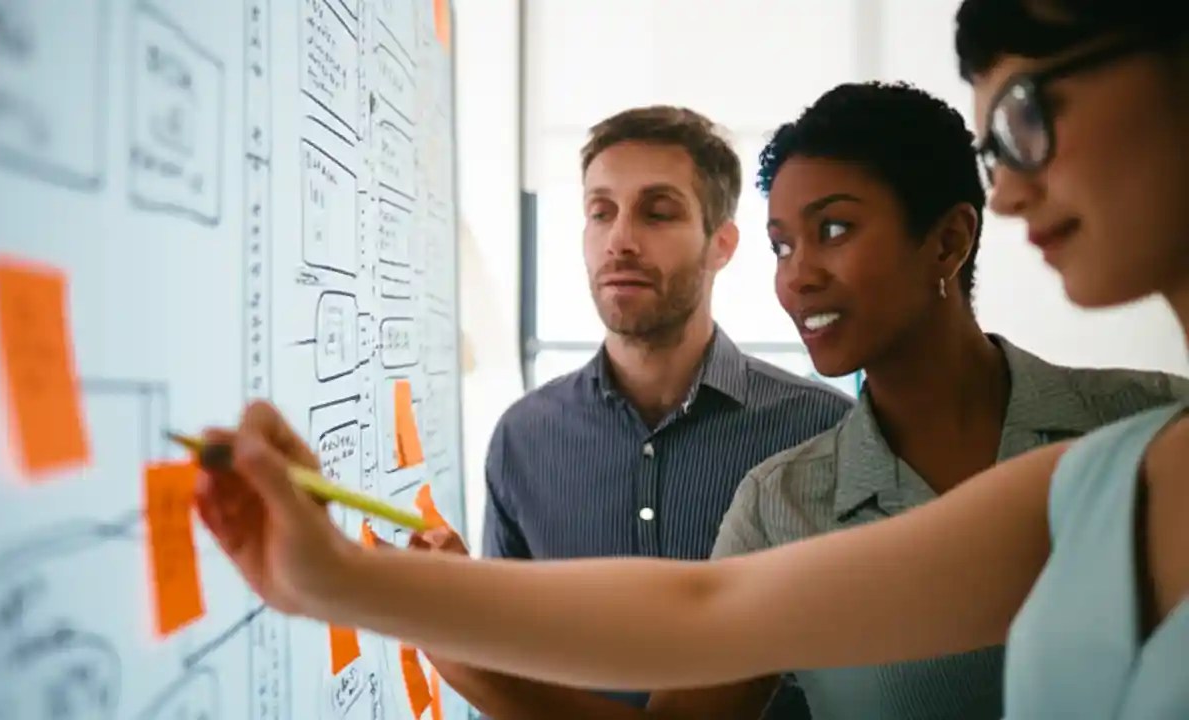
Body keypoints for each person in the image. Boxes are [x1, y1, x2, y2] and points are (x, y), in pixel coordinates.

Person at [191, 1, 1189, 717]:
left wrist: (344, 582)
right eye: (787, 242)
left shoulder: (1122, 431)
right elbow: (711, 612)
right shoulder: (1101, 477)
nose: (797, 277)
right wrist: (334, 578)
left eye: (1023, 114)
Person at [408, 80, 1188, 720]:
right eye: (785, 244)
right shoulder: (782, 500)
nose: (798, 275)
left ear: (949, 241)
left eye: (835, 229)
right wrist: (423, 620)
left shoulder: (1145, 427)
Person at [443, 105, 852, 716]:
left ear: (722, 244)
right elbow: (506, 657)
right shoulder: (522, 440)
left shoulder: (822, 431)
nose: (620, 240)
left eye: (658, 212)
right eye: (600, 212)